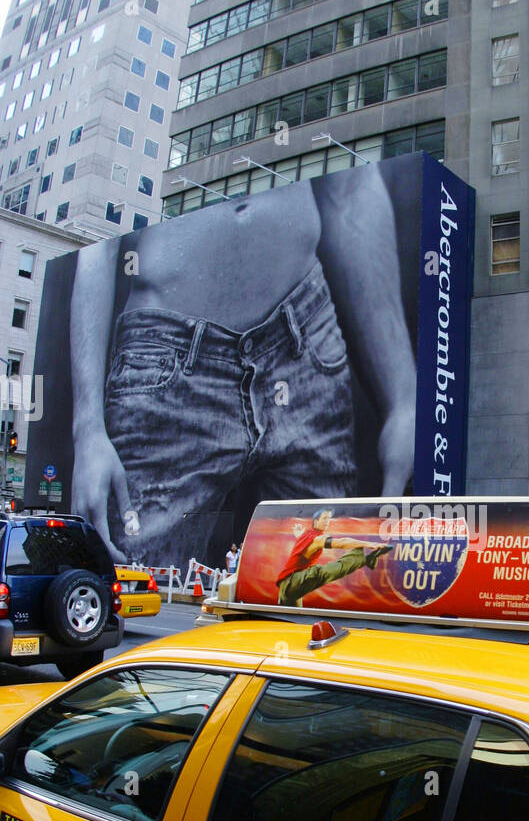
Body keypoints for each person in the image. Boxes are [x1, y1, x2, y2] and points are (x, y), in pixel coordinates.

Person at [69, 165, 417, 564]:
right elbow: (96, 241)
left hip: (305, 344)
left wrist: (403, 400)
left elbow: (350, 190)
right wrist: (88, 428)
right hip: (168, 366)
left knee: (317, 595)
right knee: (137, 592)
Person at [275, 509, 391, 606]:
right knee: (321, 572)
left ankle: (365, 559)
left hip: (291, 586)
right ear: (315, 521)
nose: (328, 521)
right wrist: (369, 544)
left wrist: (299, 535)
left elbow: (305, 544)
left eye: (329, 518)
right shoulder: (317, 539)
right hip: (292, 582)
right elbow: (342, 542)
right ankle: (365, 559)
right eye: (325, 518)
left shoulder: (307, 535)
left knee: (294, 616)